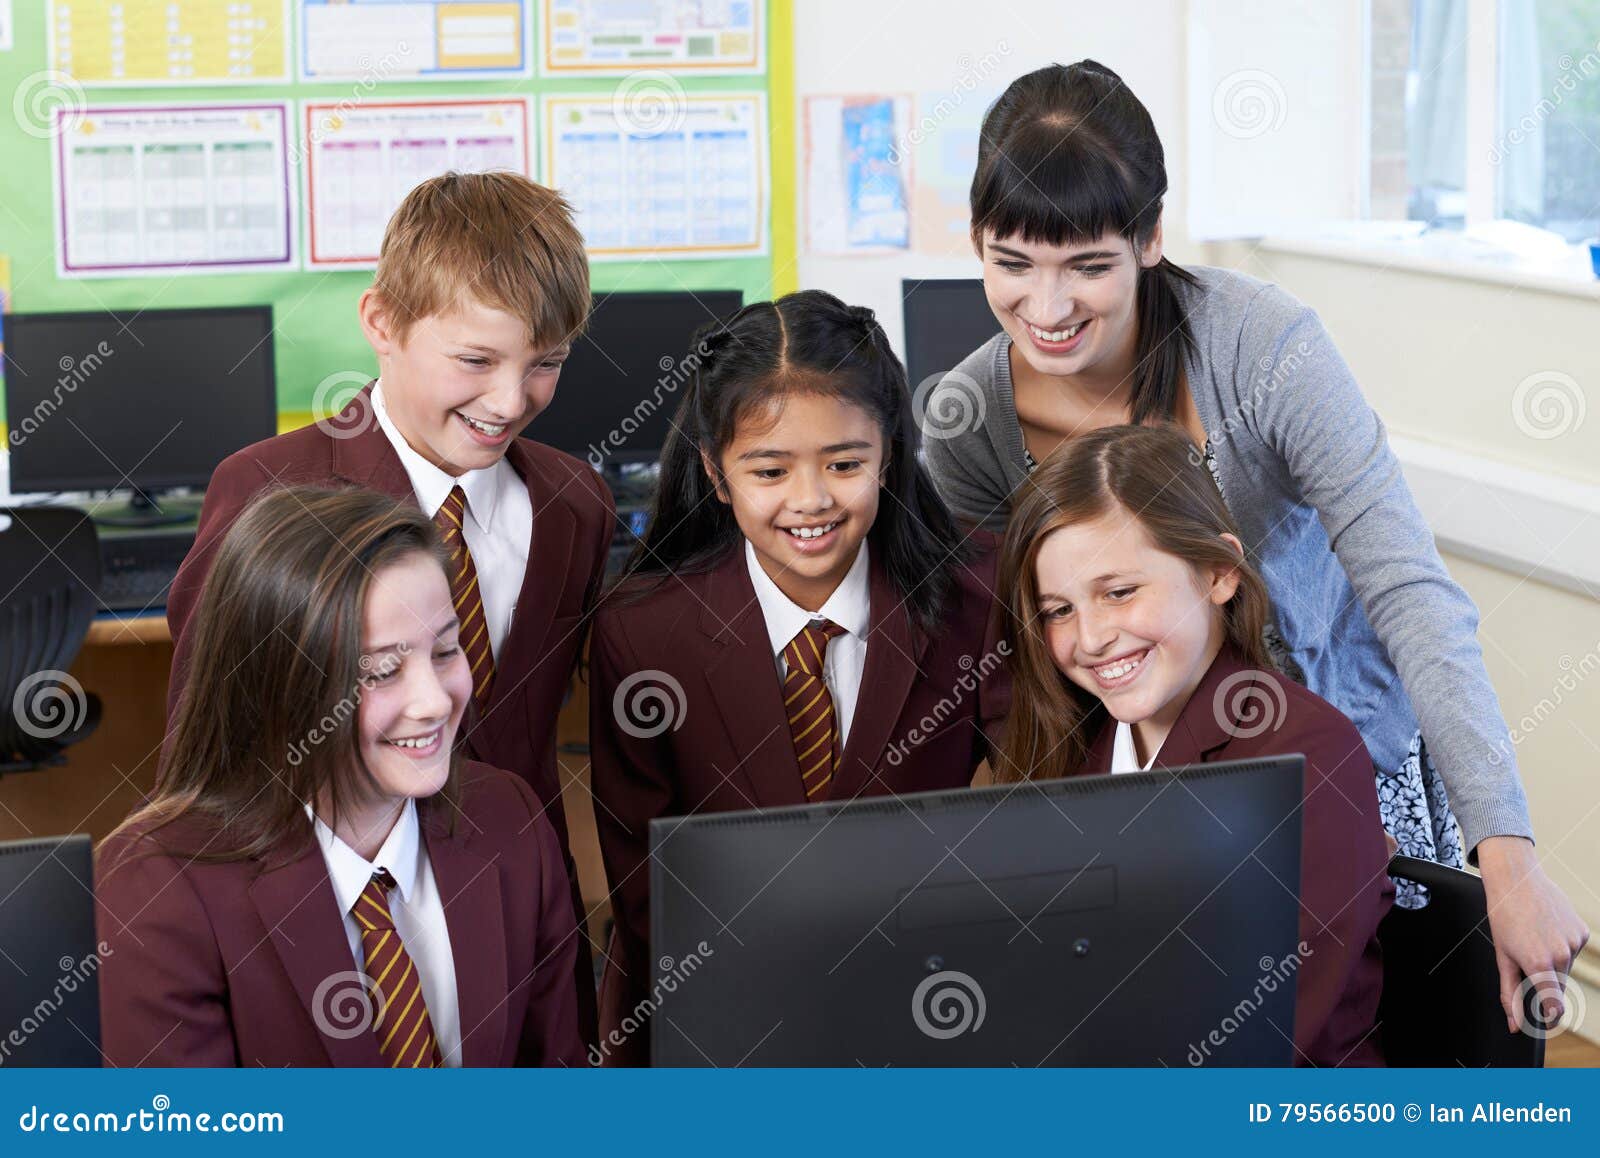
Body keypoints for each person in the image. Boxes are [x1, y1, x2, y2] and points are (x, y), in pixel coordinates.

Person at [922, 60, 1586, 1029]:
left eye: (1087, 266)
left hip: (1338, 760)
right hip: (1139, 788)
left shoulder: (1261, 346)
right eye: (1011, 264)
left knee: (1340, 1033)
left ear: (1150, 237)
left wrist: (1509, 856)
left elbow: (1408, 589)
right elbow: (990, 654)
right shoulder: (968, 420)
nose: (1048, 309)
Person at [162, 171, 613, 1042]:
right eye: (475, 361)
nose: (509, 401)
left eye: (546, 364)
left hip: (519, 934)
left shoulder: (574, 503)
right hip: (318, 940)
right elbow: (204, 761)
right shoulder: (267, 492)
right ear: (381, 323)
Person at [589, 290, 1010, 1065]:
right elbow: (646, 883)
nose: (811, 501)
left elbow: (1036, 818)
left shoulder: (975, 598)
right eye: (770, 469)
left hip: (928, 1003)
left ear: (889, 453)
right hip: (731, 1016)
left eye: (845, 464)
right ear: (717, 473)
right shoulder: (644, 631)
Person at [98, 487, 584, 1067]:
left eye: (445, 651)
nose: (434, 701)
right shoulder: (157, 887)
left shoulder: (508, 818)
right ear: (277, 683)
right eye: (380, 671)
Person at [997, 423, 1392, 1065]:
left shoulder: (1311, 752)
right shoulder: (1074, 740)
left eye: (1119, 592)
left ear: (1219, 573)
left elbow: (1259, 1033)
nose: (1091, 638)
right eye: (1058, 611)